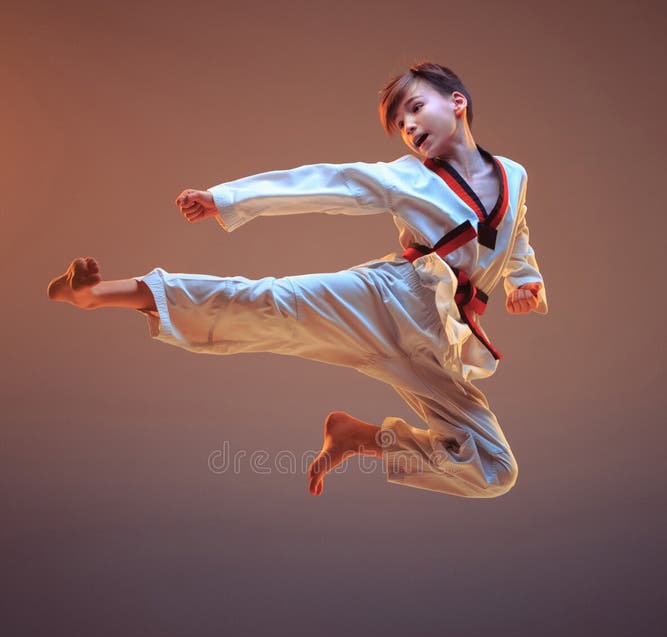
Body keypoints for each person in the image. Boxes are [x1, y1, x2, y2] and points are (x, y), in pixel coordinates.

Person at [48, 62, 547, 499]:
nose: (409, 126)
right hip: (390, 299)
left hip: (440, 339)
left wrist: (524, 283)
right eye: (400, 123)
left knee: (494, 470)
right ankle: (97, 293)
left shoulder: (514, 175)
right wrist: (225, 198)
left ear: (457, 102)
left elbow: (514, 232)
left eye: (415, 109)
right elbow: (322, 182)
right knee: (268, 304)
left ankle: (359, 438)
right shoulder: (409, 178)